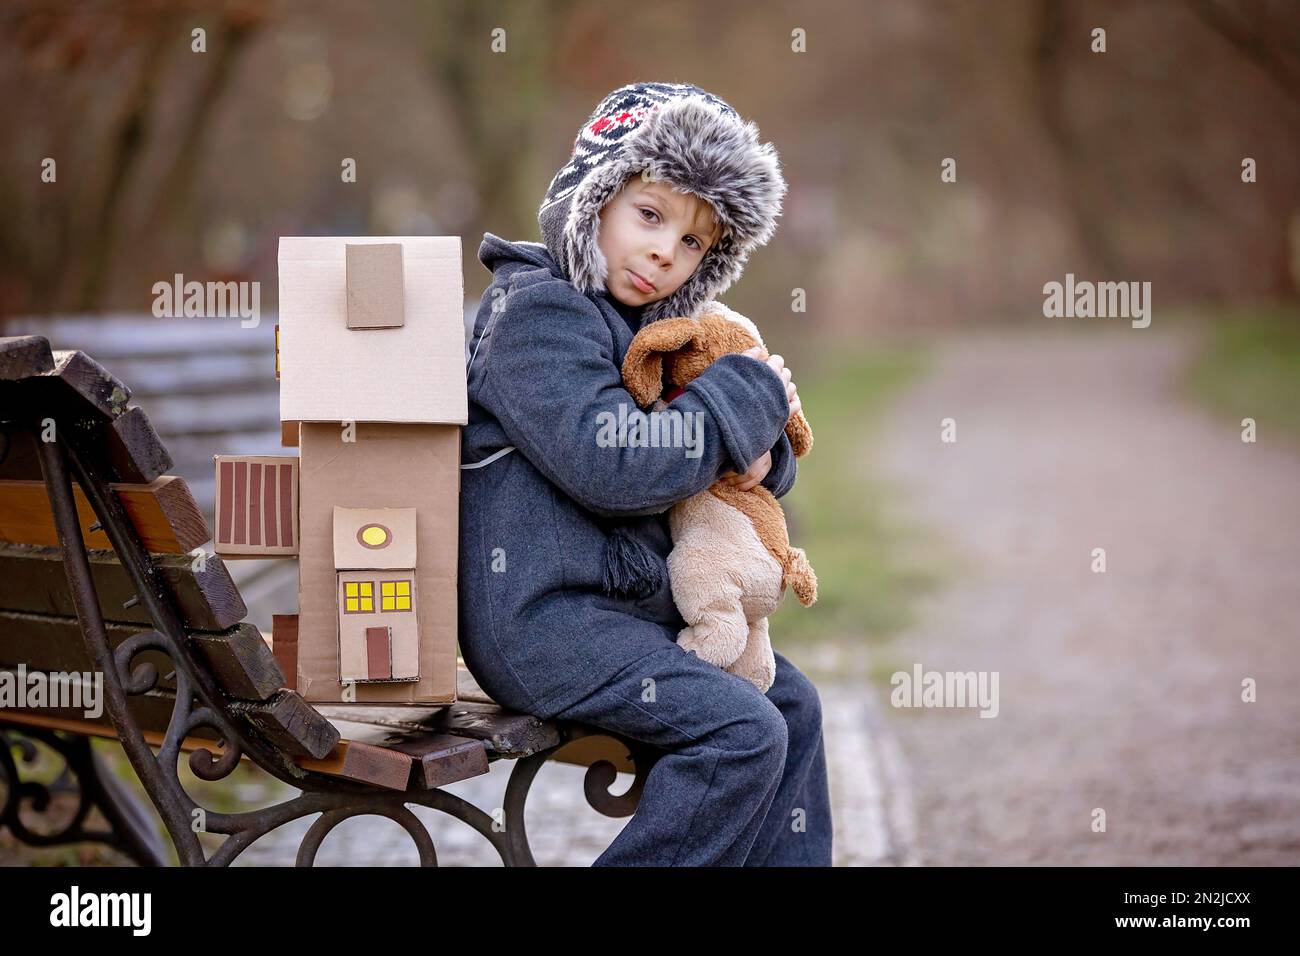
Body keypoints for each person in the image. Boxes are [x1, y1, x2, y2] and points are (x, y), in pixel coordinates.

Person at [458, 81, 831, 866]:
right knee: (740, 731)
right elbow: (617, 460)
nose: (666, 251)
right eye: (650, 215)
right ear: (591, 198)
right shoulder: (536, 314)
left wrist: (765, 446)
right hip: (543, 623)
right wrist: (747, 397)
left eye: (694, 242)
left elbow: (705, 464)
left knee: (788, 704)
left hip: (622, 613)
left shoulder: (652, 332)